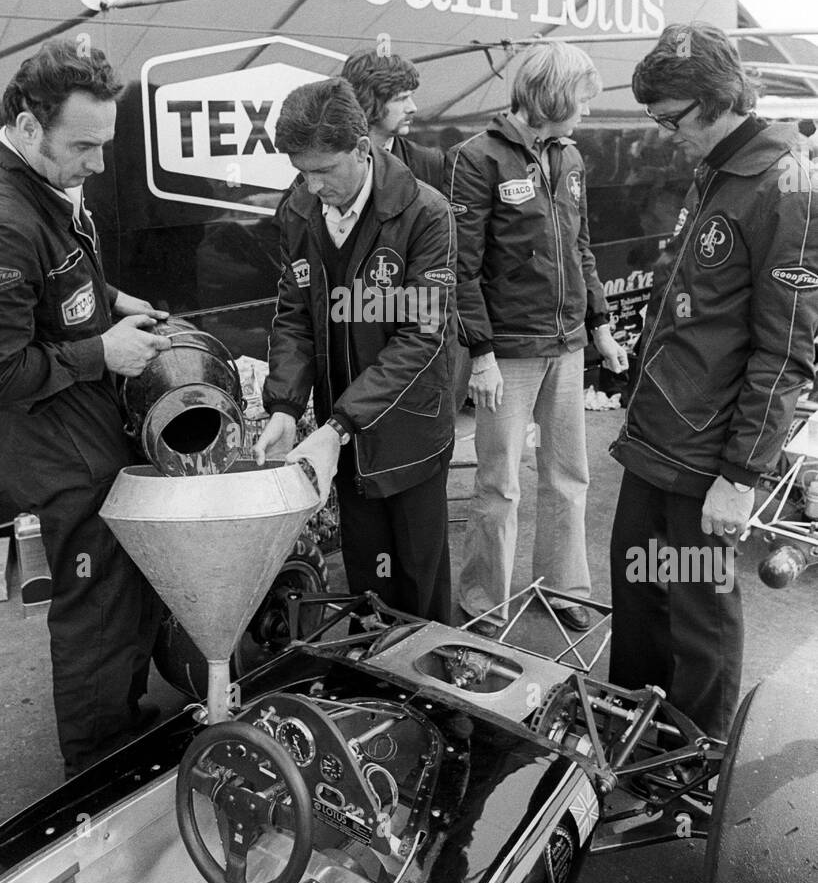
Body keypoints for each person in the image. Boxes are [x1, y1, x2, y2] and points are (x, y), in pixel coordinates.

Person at [0, 40, 172, 777]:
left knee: (124, 590)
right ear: (25, 125)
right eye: (83, 145)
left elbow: (59, 287)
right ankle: (95, 765)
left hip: (81, 428)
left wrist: (112, 300)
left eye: (105, 145)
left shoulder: (41, 190)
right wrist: (99, 354)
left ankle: (126, 717)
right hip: (54, 444)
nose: (98, 164)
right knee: (96, 607)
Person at [609, 22, 818, 739]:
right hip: (660, 433)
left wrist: (742, 473)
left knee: (699, 614)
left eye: (671, 120)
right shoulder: (719, 167)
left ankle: (694, 762)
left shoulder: (785, 182)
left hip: (708, 455)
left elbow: (785, 347)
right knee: (639, 591)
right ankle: (630, 730)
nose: (666, 135)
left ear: (717, 100)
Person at [253, 77, 457, 623]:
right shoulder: (297, 211)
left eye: (325, 170)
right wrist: (284, 407)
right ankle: (377, 691)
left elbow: (421, 336)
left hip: (408, 432)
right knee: (369, 582)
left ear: (363, 149)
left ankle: (439, 699)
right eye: (302, 171)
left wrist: (339, 425)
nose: (313, 185)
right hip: (339, 438)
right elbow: (294, 316)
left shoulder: (425, 213)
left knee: (420, 581)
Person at [448, 41, 627, 636]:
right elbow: (461, 267)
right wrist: (480, 354)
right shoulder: (478, 158)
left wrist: (599, 326)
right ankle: (481, 602)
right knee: (499, 483)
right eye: (581, 98)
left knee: (568, 475)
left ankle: (564, 590)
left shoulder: (570, 157)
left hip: (568, 345)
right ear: (552, 93)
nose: (587, 111)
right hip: (508, 352)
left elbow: (580, 247)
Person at [341, 48, 446, 190]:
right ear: (368, 101)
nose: (412, 108)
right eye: (401, 99)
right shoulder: (326, 161)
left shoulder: (429, 164)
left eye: (411, 96)